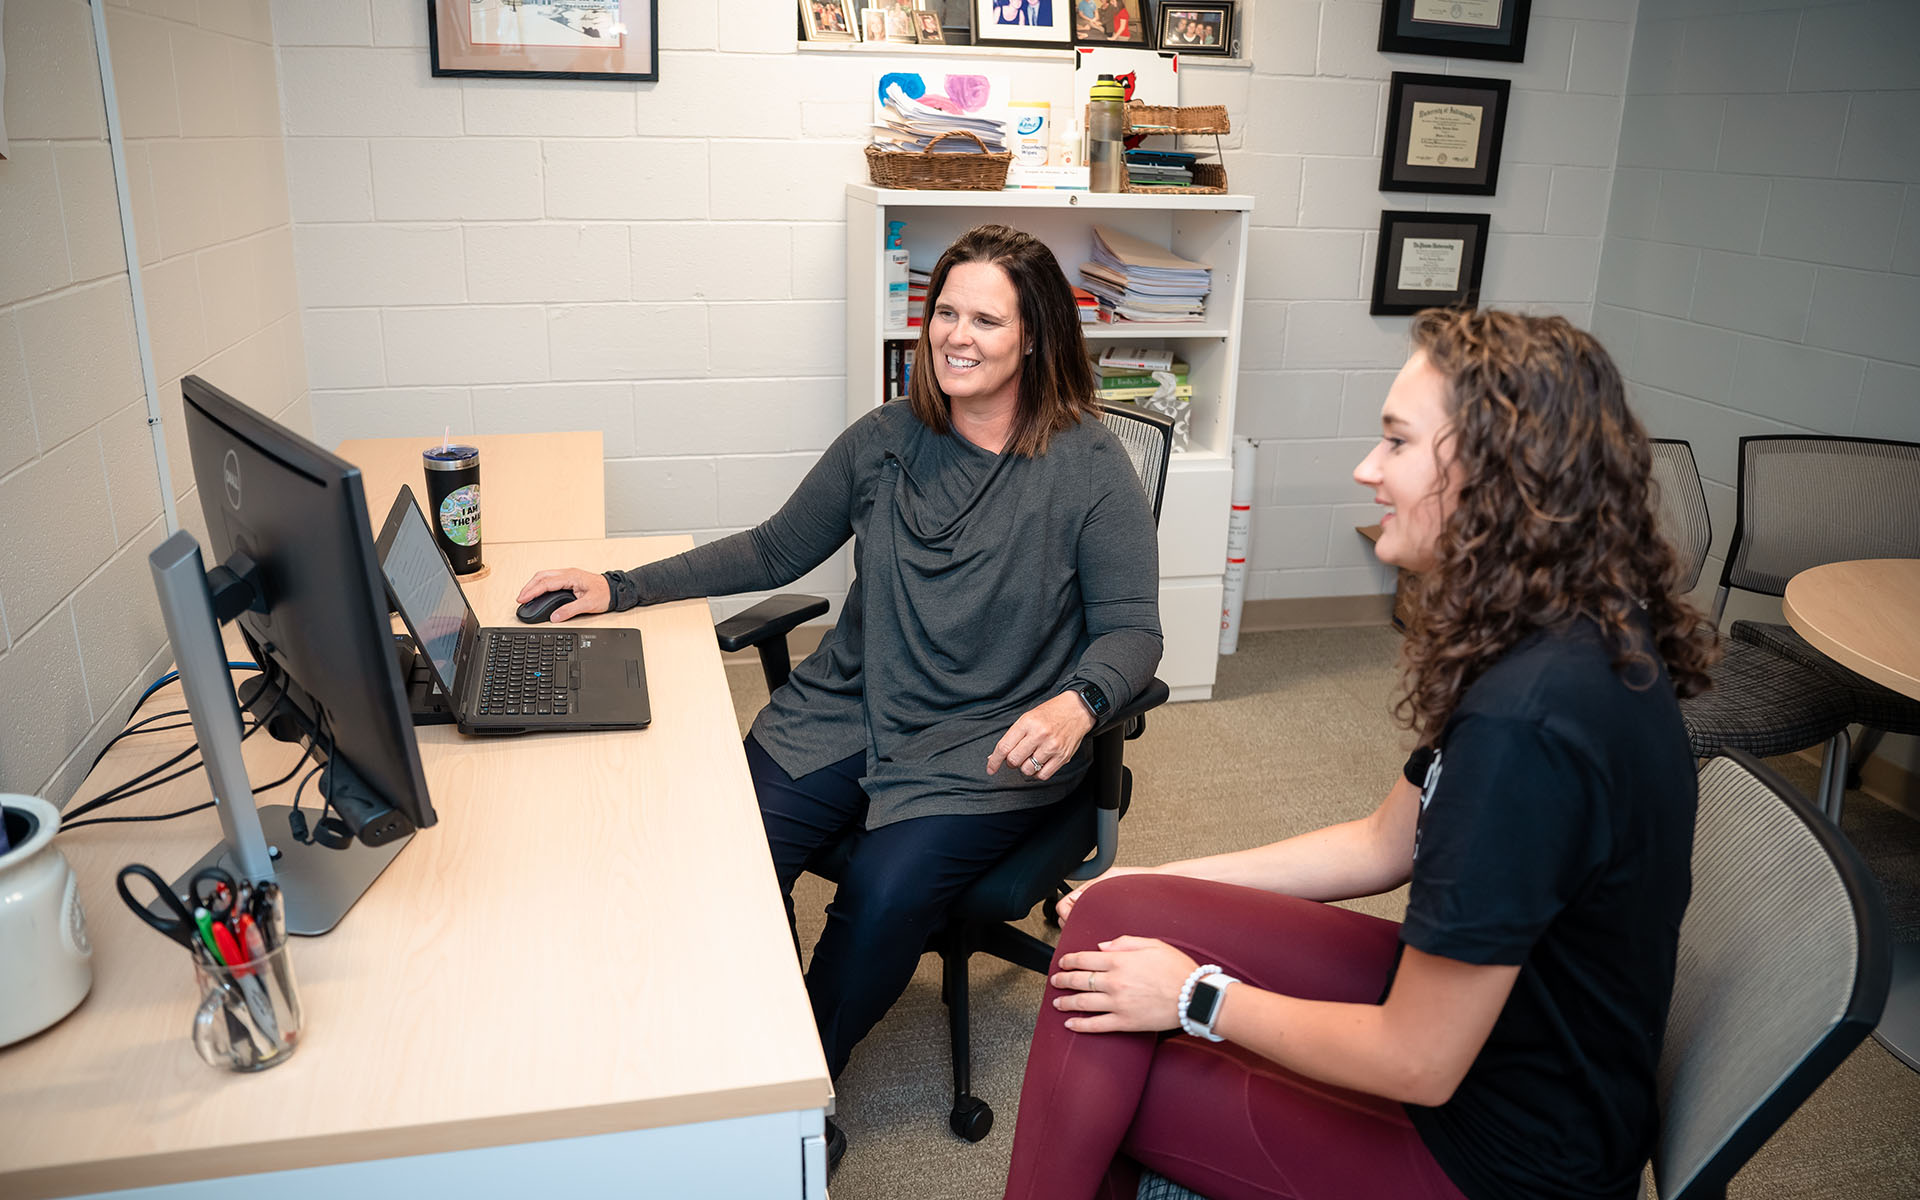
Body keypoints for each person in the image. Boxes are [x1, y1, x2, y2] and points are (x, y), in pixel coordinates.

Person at [1001, 308, 1718, 1200]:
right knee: (1117, 919)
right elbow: (1385, 842)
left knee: (1110, 1067)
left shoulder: (1531, 723)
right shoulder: (1548, 628)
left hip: (1502, 1156)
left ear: (1498, 473)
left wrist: (1196, 997)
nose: (1366, 469)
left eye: (1397, 443)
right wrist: (1156, 881)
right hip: (1497, 1029)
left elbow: (1418, 1060)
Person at [518, 224, 1161, 1173]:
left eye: (986, 320)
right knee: (733, 846)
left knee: (883, 890)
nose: (957, 336)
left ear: (1034, 338)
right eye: (945, 312)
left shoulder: (1089, 467)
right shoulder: (886, 441)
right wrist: (621, 585)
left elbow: (1133, 631)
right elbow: (773, 548)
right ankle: (743, 1044)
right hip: (858, 698)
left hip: (991, 734)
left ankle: (795, 1089)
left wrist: (1078, 704)